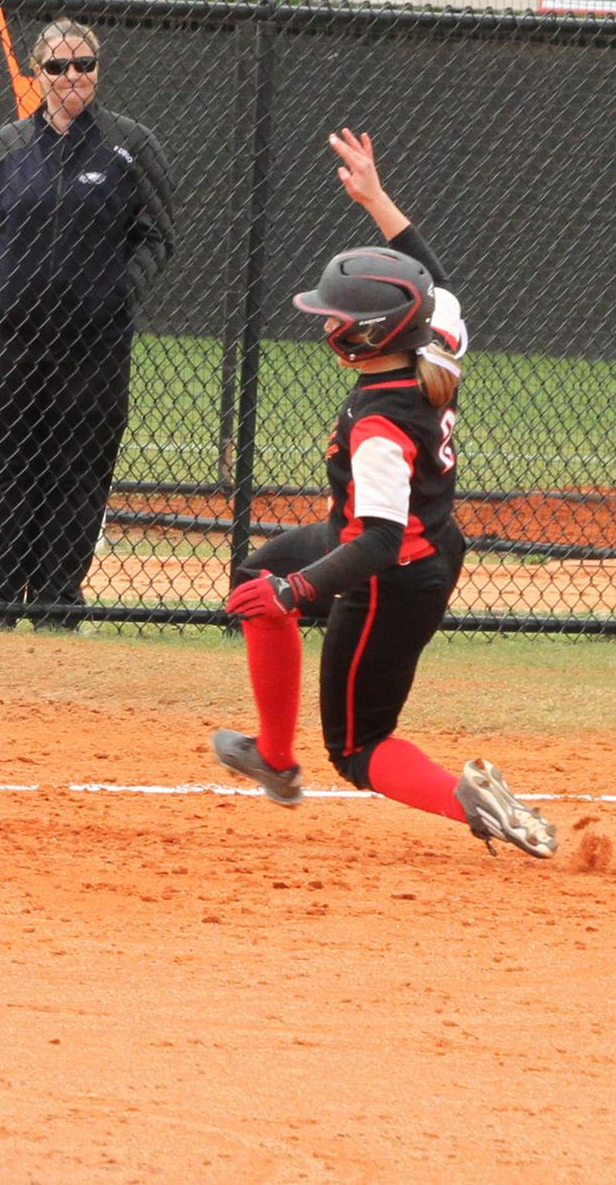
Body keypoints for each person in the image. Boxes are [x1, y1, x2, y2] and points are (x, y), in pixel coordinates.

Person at [208, 128, 555, 858]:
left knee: (359, 745)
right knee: (251, 579)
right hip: (395, 544)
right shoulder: (435, 342)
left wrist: (298, 592)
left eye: (335, 315)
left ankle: (472, 806)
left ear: (366, 336)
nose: (326, 322)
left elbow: (378, 541)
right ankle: (272, 757)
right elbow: (435, 280)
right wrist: (376, 198)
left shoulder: (378, 429)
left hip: (391, 577)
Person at [0, 18, 175, 629]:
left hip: (94, 345)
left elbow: (158, 235)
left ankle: (57, 602)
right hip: (10, 342)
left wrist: (114, 294)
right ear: (37, 73)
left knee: (79, 469)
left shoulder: (130, 146)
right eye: (57, 66)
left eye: (84, 65)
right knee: (6, 465)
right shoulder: (5, 146)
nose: (72, 76)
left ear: (98, 71)